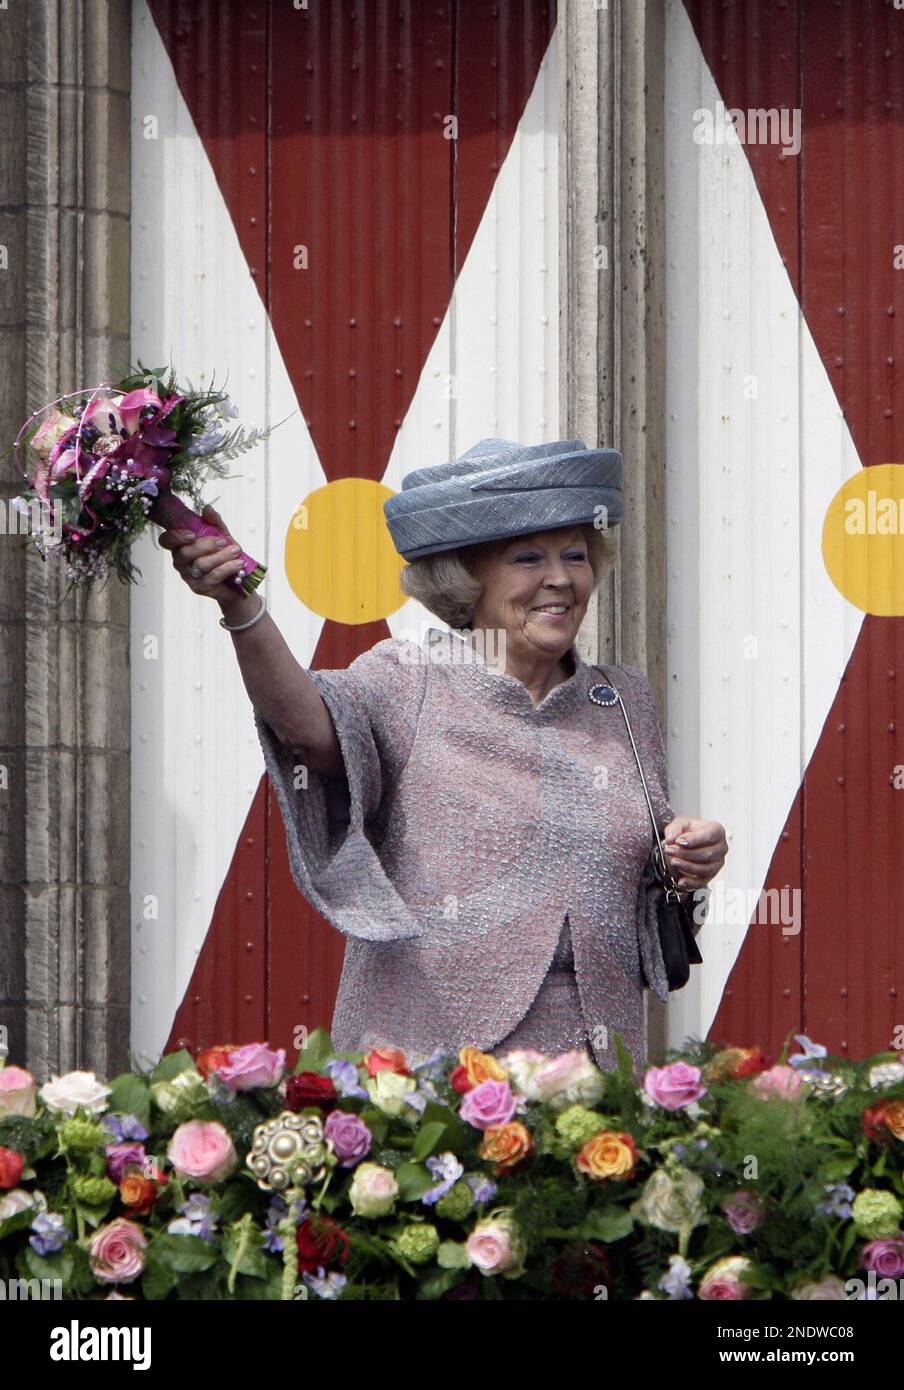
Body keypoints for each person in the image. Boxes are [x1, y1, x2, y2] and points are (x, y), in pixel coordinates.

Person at [159, 437, 728, 1071]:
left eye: (576, 555)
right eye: (528, 558)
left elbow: (647, 893)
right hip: (432, 1064)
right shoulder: (412, 678)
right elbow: (307, 729)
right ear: (466, 577)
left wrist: (688, 859)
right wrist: (242, 606)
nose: (561, 578)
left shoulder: (621, 701)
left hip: (595, 1071)